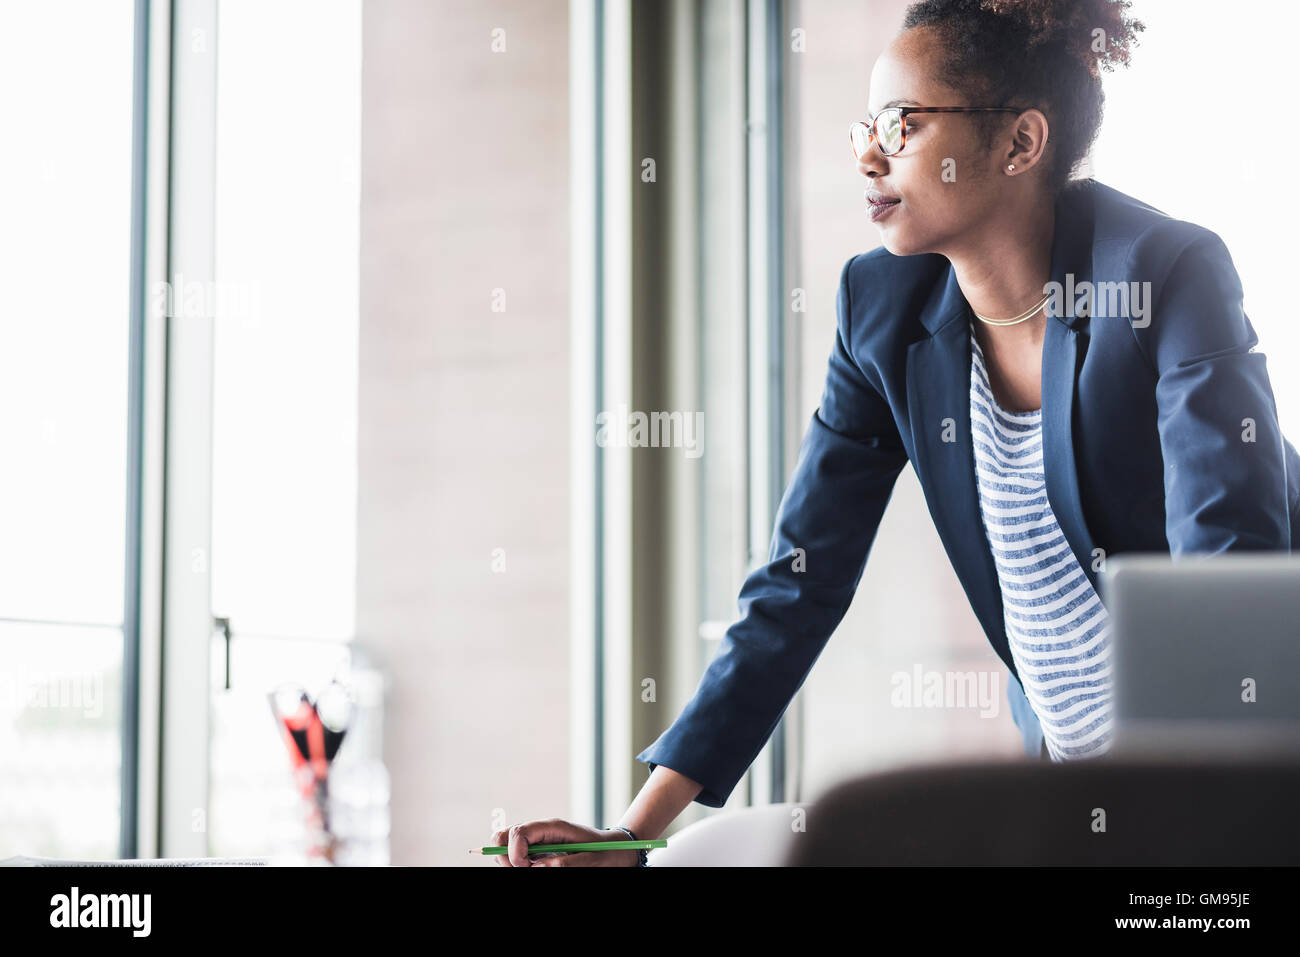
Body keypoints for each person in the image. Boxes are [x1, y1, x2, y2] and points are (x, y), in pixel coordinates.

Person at [490, 0, 1300, 865]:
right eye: (864, 127)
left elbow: (1230, 560)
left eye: (902, 125)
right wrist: (632, 831)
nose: (869, 155)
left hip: (1245, 771)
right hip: (1079, 788)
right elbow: (798, 583)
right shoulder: (882, 310)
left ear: (1021, 142)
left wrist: (1198, 824)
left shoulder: (1163, 272)